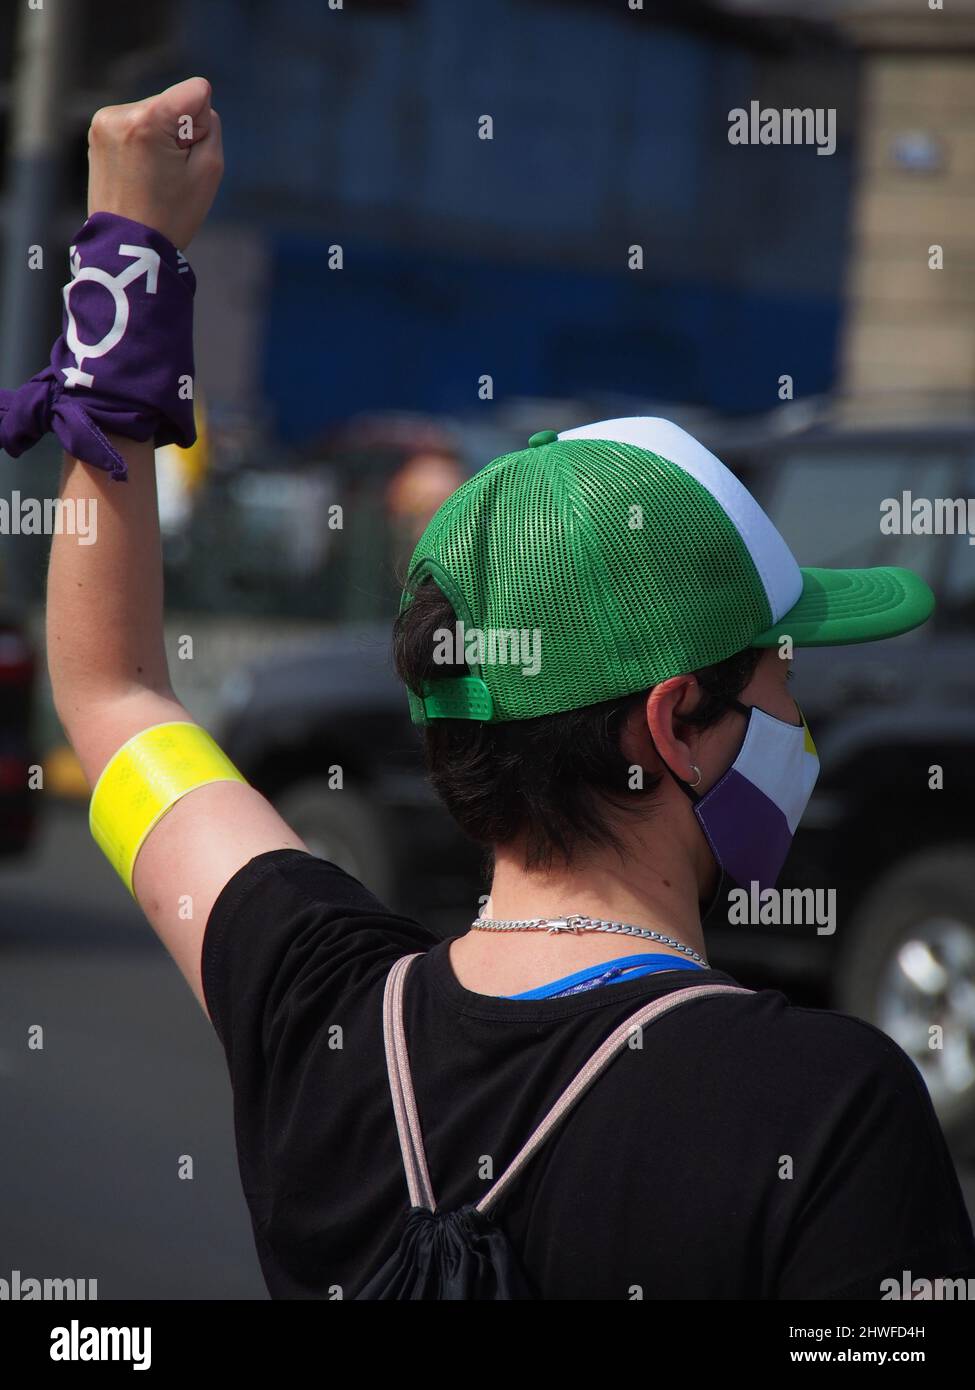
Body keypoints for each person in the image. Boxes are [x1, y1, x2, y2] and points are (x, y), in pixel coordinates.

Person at [30, 78, 975, 1300]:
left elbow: (108, 693)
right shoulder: (834, 1111)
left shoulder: (315, 1008)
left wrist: (129, 256)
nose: (802, 721)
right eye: (780, 675)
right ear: (677, 724)